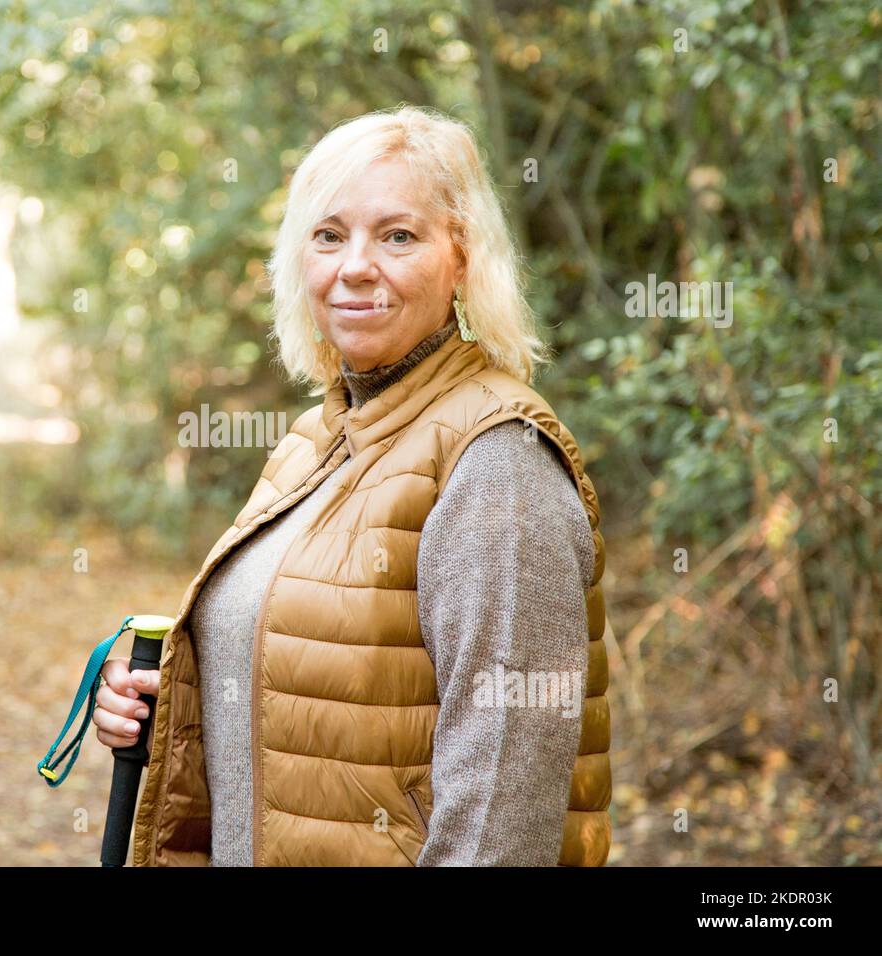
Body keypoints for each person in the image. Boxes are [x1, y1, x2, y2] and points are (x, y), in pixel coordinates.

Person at [93, 105, 612, 866]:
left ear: (462, 257)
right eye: (329, 236)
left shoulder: (498, 462)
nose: (355, 266)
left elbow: (502, 817)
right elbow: (310, 700)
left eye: (398, 235)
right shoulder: (315, 439)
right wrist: (160, 699)